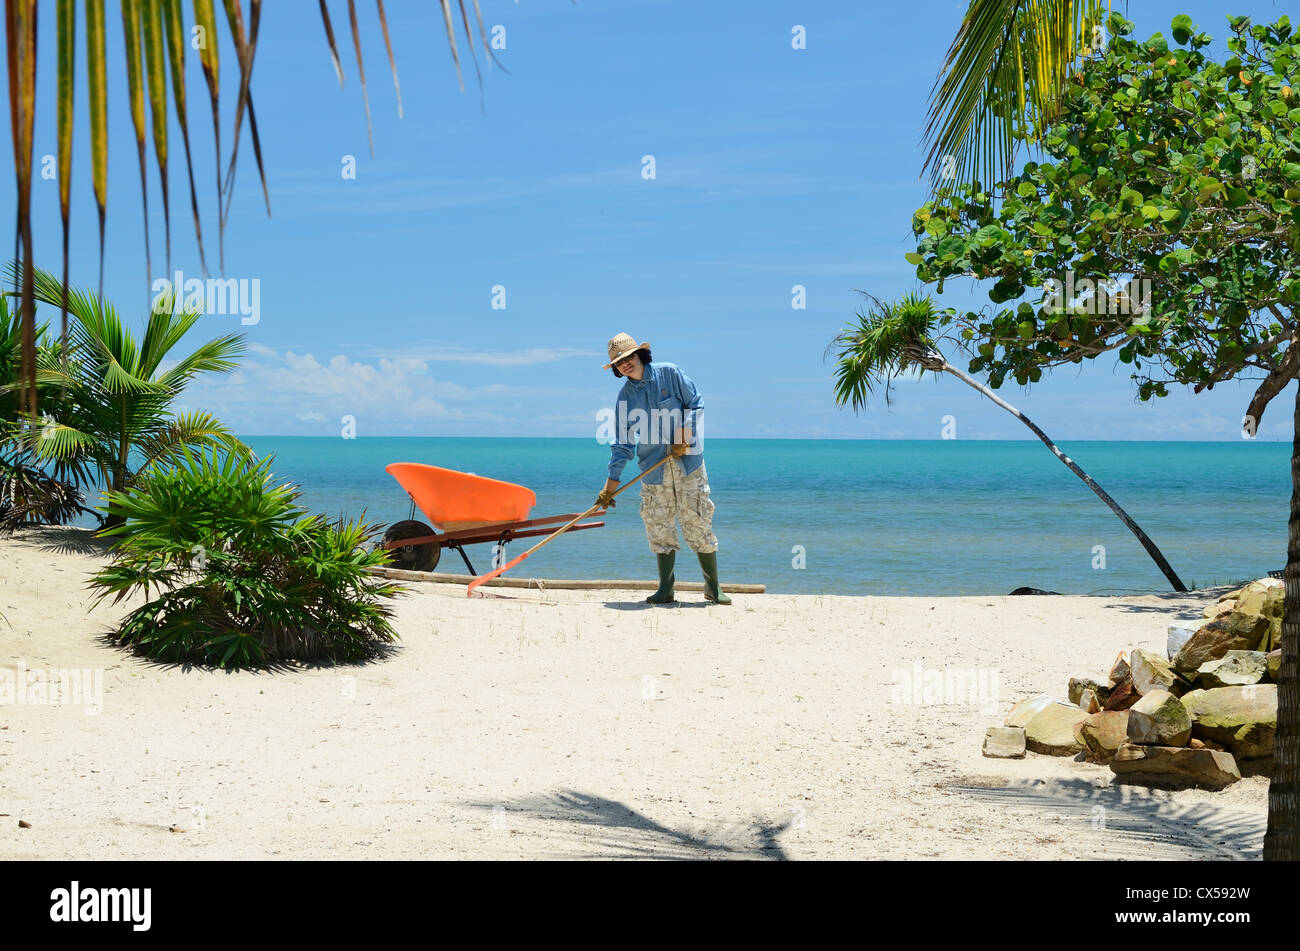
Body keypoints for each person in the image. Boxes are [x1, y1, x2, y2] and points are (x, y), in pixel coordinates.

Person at [596, 332, 731, 605]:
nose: (625, 364)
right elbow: (622, 446)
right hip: (653, 472)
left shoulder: (670, 373)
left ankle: (712, 587)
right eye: (618, 363)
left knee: (698, 521)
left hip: (688, 464)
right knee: (659, 528)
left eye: (628, 357)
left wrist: (684, 434)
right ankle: (665, 589)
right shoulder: (624, 399)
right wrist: (609, 488)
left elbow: (696, 404)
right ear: (616, 369)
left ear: (640, 355)